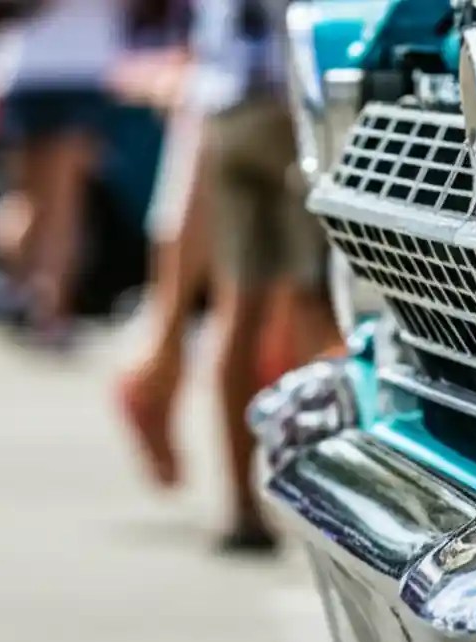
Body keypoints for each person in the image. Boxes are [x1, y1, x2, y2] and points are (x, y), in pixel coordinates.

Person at [201, 0, 342, 553]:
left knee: (239, 309)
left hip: (226, 104)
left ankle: (239, 504)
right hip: (288, 102)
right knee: (317, 304)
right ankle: (326, 496)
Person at [0, 0, 126, 349]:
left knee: (26, 199)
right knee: (61, 205)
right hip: (78, 70)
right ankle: (50, 312)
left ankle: (18, 288)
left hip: (21, 70)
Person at [112, 0, 212, 490]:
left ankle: (152, 374)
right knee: (270, 299)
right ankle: (152, 377)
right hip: (234, 84)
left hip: (219, 80)